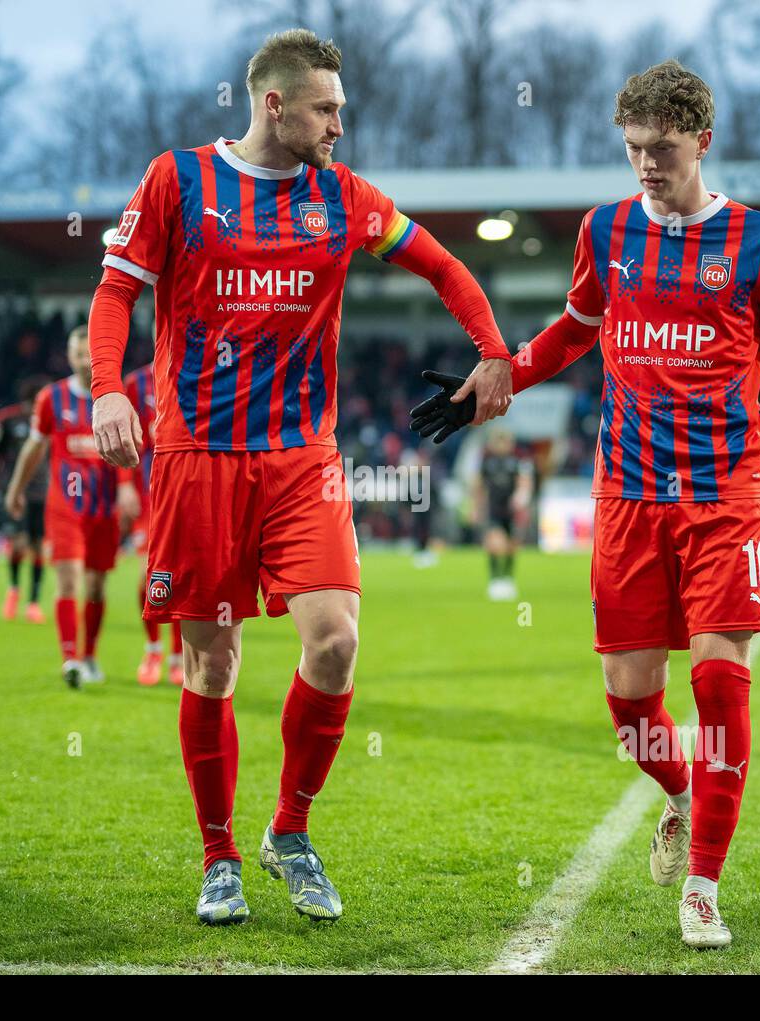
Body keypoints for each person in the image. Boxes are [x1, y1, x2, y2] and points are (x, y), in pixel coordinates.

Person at [413, 60, 760, 949]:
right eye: (632, 149)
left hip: (725, 494)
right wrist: (497, 377)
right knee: (632, 707)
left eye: (660, 149)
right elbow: (574, 333)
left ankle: (703, 886)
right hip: (626, 496)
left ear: (702, 141)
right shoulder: (607, 229)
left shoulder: (759, 241)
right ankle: (683, 798)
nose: (645, 166)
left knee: (717, 673)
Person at [87, 29, 511, 925]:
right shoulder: (177, 181)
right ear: (273, 104)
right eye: (326, 108)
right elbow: (117, 290)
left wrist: (494, 354)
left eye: (342, 108)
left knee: (337, 641)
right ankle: (219, 857)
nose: (339, 125)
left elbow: (441, 264)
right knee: (212, 659)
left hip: (302, 461)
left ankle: (290, 831)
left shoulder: (345, 197)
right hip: (198, 459)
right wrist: (105, 392)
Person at [5, 326, 140, 687]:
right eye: (78, 353)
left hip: (103, 509)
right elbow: (34, 447)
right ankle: (71, 660)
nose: (85, 360)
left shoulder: (117, 398)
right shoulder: (52, 398)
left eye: (89, 354)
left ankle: (91, 655)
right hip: (64, 507)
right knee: (69, 581)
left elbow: (129, 448)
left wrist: (127, 489)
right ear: (69, 356)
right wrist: (15, 489)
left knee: (96, 587)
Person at [123, 361, 184, 686]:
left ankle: (177, 655)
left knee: (183, 574)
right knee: (150, 572)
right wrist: (123, 485)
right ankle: (152, 649)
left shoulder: (199, 368)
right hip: (149, 493)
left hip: (188, 488)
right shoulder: (137, 382)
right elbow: (125, 434)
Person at [0, 377, 49, 623]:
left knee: (38, 548)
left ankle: (33, 603)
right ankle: (14, 589)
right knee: (20, 544)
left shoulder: (49, 420)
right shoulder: (8, 419)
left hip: (42, 493)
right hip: (16, 491)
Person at [473, 428, 533, 600]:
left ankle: (507, 578)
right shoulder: (486, 461)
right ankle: (495, 579)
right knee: (493, 543)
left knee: (512, 545)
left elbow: (524, 482)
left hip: (511, 510)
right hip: (494, 509)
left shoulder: (517, 460)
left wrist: (521, 498)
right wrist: (476, 507)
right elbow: (479, 485)